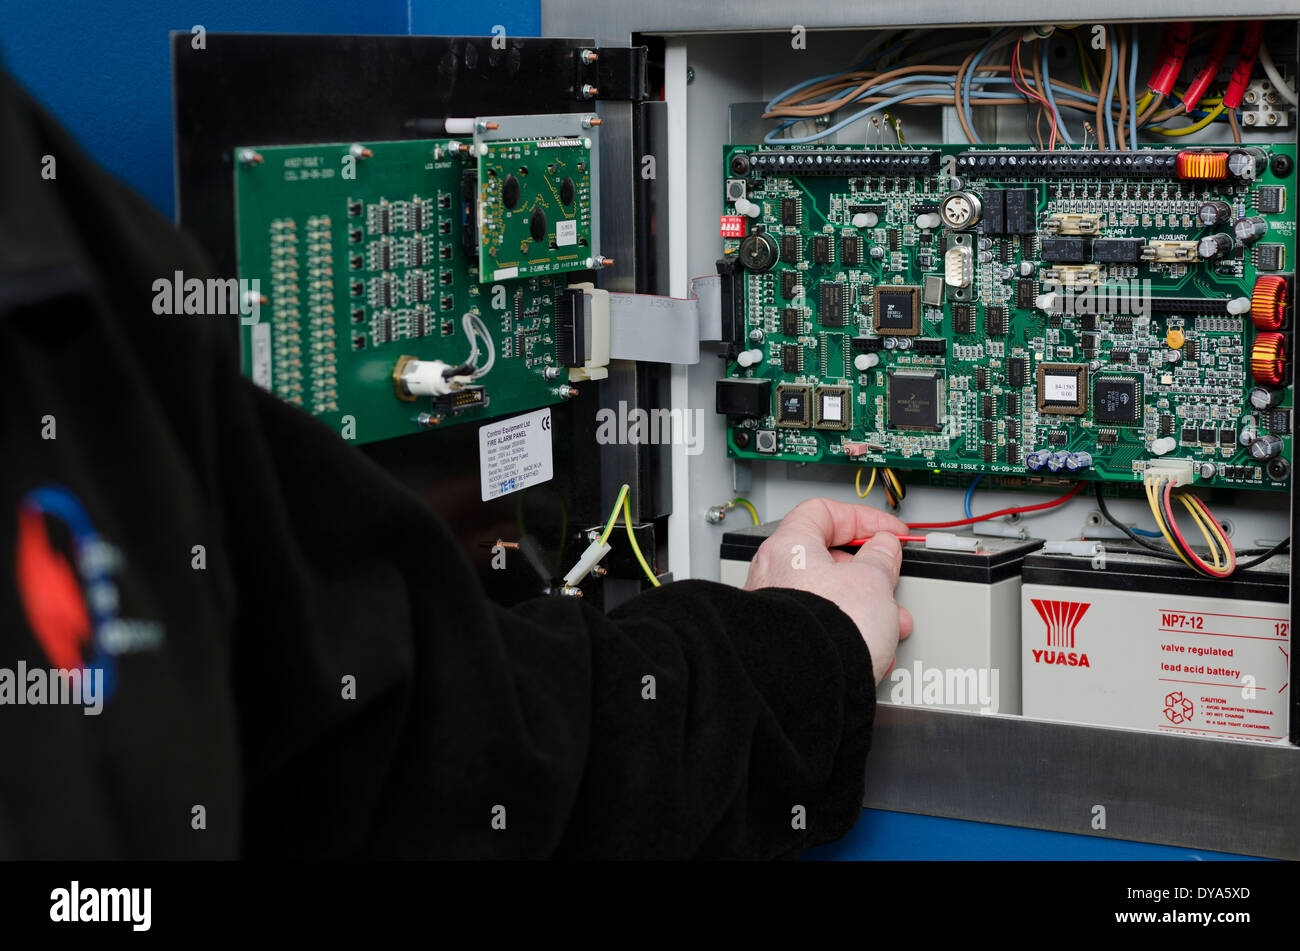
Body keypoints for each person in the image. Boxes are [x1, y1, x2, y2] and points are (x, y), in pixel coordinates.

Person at [0, 66, 910, 859]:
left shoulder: (60, 270)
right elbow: (444, 749)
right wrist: (804, 652)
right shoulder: (57, 273)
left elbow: (419, 736)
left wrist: (798, 652)